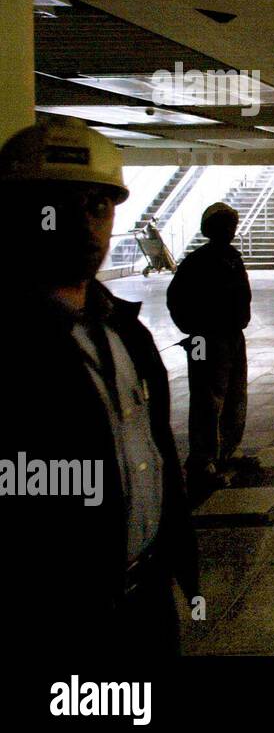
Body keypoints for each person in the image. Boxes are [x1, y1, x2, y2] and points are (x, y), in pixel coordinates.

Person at [0, 117, 198, 656]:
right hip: (56, 617)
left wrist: (179, 560)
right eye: (60, 205)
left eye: (98, 206)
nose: (85, 226)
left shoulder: (124, 330)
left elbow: (154, 449)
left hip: (145, 597)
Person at [167, 202, 257, 495]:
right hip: (205, 338)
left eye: (232, 225)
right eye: (225, 225)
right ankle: (202, 461)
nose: (230, 231)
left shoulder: (232, 257)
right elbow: (177, 299)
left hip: (232, 335)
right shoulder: (197, 261)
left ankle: (228, 450)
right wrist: (194, 330)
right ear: (211, 229)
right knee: (207, 398)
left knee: (235, 393)